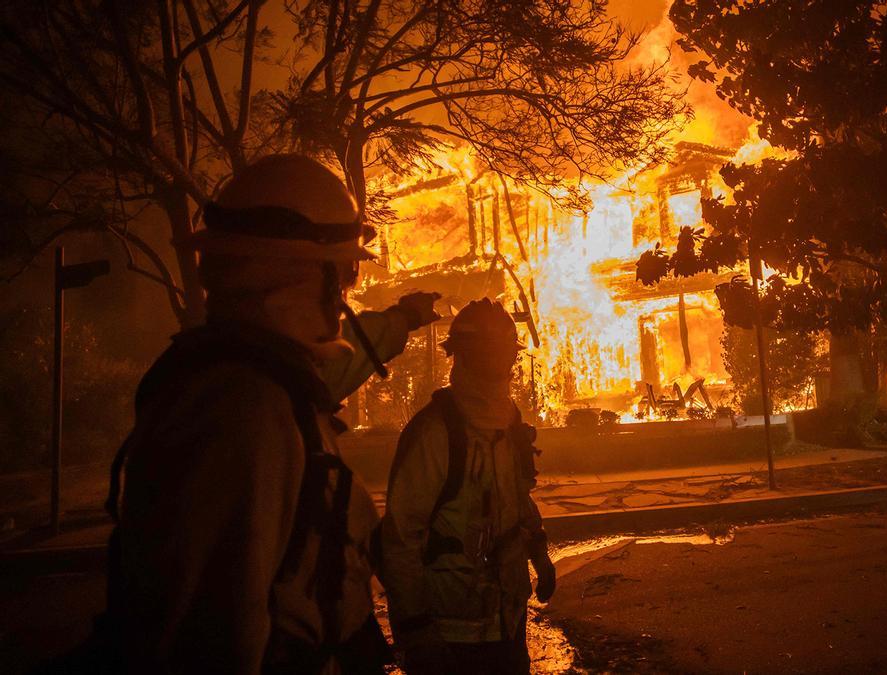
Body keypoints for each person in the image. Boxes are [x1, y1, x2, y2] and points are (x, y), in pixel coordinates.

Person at [99, 154, 435, 674]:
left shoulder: (266, 378)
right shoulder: (241, 410)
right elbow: (211, 638)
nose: (345, 295)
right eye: (344, 275)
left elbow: (340, 365)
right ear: (303, 276)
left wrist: (402, 319)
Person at [379, 299, 556, 675]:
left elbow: (517, 495)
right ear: (466, 354)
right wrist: (416, 628)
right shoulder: (435, 433)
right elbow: (399, 539)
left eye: (508, 352)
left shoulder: (507, 420)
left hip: (507, 620)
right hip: (450, 630)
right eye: (495, 351)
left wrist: (538, 549)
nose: (506, 363)